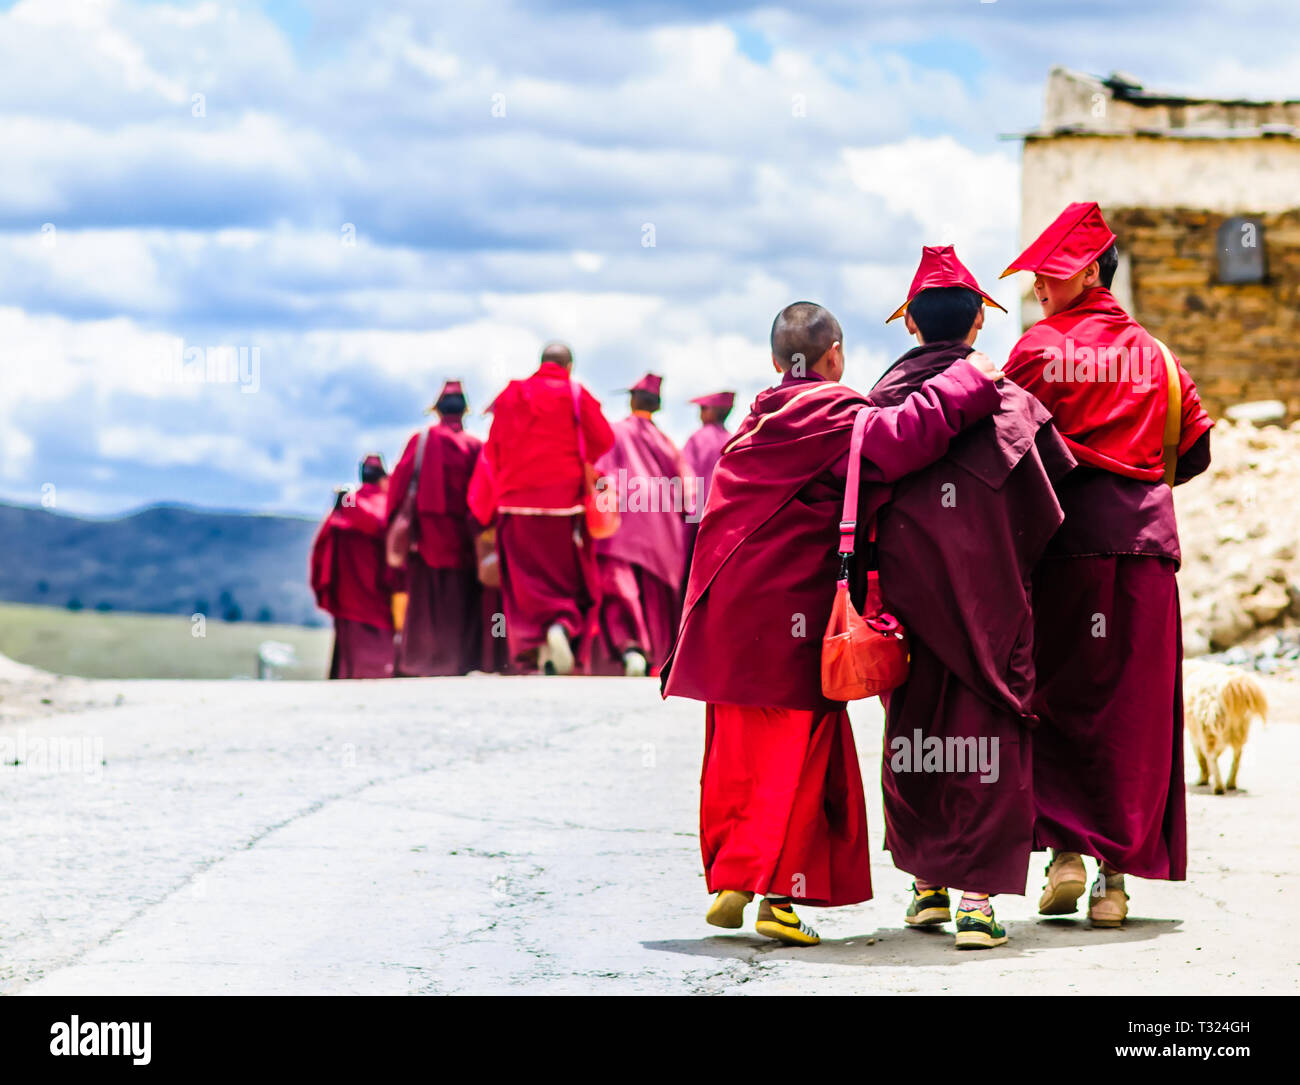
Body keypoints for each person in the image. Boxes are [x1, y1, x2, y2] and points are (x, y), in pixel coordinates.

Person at [660, 301, 1005, 945]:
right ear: (836, 358)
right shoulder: (832, 414)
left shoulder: (755, 423)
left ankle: (737, 874)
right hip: (786, 616)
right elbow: (907, 436)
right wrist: (971, 378)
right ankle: (775, 901)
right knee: (799, 752)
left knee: (738, 752)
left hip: (725, 616)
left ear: (773, 363)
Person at [1000, 202, 1213, 926]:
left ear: (1090, 269)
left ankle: (1062, 851)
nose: (1036, 288)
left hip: (1061, 547)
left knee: (1059, 695)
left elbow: (1003, 449)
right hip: (1146, 550)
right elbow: (1194, 450)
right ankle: (1114, 880)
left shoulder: (1037, 349)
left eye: (1047, 274)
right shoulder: (1158, 355)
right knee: (1132, 710)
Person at [869, 246, 1076, 949]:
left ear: (911, 327)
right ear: (979, 325)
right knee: (985, 736)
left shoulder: (882, 403)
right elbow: (1052, 506)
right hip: (993, 607)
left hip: (908, 607)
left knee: (915, 733)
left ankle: (926, 886)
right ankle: (977, 901)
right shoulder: (1012, 401)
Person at [482, 342, 614, 674]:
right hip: (564, 507)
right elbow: (603, 440)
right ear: (568, 366)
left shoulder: (511, 394)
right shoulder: (574, 393)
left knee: (525, 581)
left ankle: (538, 644)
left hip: (515, 505)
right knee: (565, 577)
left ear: (540, 363)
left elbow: (493, 446)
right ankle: (562, 623)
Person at [590, 374, 689, 676]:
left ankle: (630, 646)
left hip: (623, 523)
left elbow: (600, 476)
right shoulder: (667, 442)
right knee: (655, 596)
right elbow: (687, 493)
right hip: (663, 527)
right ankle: (656, 657)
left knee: (620, 589)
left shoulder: (615, 432)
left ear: (632, 400)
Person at [387, 380, 483, 676]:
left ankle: (421, 662)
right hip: (463, 540)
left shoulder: (421, 441)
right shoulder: (475, 446)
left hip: (426, 540)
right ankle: (458, 662)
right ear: (465, 411)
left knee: (425, 603)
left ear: (438, 409)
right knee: (460, 600)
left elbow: (398, 488)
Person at [309, 454, 396, 679]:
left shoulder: (345, 504)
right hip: (379, 590)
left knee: (354, 643)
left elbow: (321, 547)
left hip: (348, 594)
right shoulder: (389, 502)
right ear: (383, 476)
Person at [680, 391, 735, 571]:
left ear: (714, 411)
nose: (700, 413)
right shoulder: (733, 440)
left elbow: (683, 476)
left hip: (696, 518)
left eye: (703, 408)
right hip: (724, 519)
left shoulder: (698, 438)